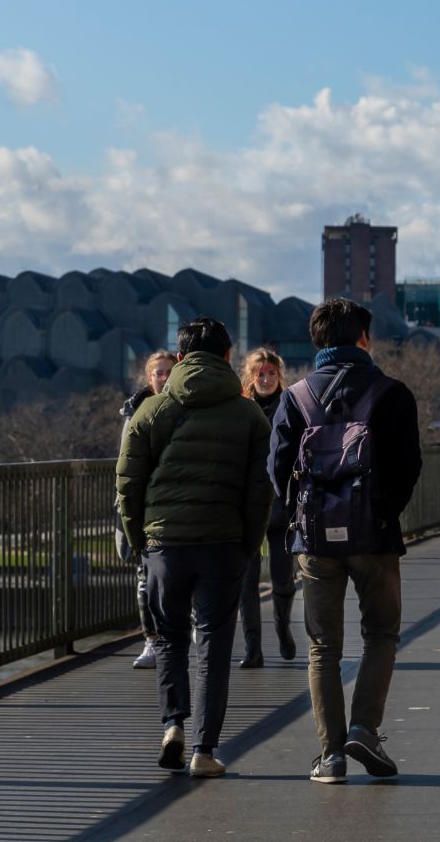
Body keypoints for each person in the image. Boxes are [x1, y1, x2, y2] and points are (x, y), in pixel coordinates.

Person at [268, 298, 421, 784]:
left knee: (323, 646)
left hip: (315, 541)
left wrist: (304, 514)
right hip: (375, 536)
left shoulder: (295, 397)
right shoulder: (391, 392)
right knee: (381, 634)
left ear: (317, 341)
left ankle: (330, 756)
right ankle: (364, 728)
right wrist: (382, 513)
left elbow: (277, 468)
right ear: (363, 339)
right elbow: (407, 466)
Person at [117, 318, 271, 779]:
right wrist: (250, 542)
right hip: (223, 544)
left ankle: (172, 724)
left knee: (168, 638)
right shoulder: (249, 416)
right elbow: (259, 489)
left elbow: (128, 483)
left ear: (180, 359)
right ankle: (204, 750)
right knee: (214, 644)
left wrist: (140, 537)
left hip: (165, 544)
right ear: (228, 358)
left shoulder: (152, 412)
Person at [237, 347, 295, 668]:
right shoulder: (240, 408)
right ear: (250, 375)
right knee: (247, 579)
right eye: (260, 373)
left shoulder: (290, 404)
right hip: (248, 505)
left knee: (283, 578)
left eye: (272, 373)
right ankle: (252, 646)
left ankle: (283, 626)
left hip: (281, 504)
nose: (266, 378)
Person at [119, 350, 177, 670]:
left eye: (170, 371)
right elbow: (124, 462)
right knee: (145, 577)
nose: (164, 378)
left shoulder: (185, 406)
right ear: (149, 376)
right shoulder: (134, 411)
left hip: (176, 502)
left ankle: (178, 631)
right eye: (159, 372)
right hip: (144, 504)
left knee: (176, 574)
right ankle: (151, 640)